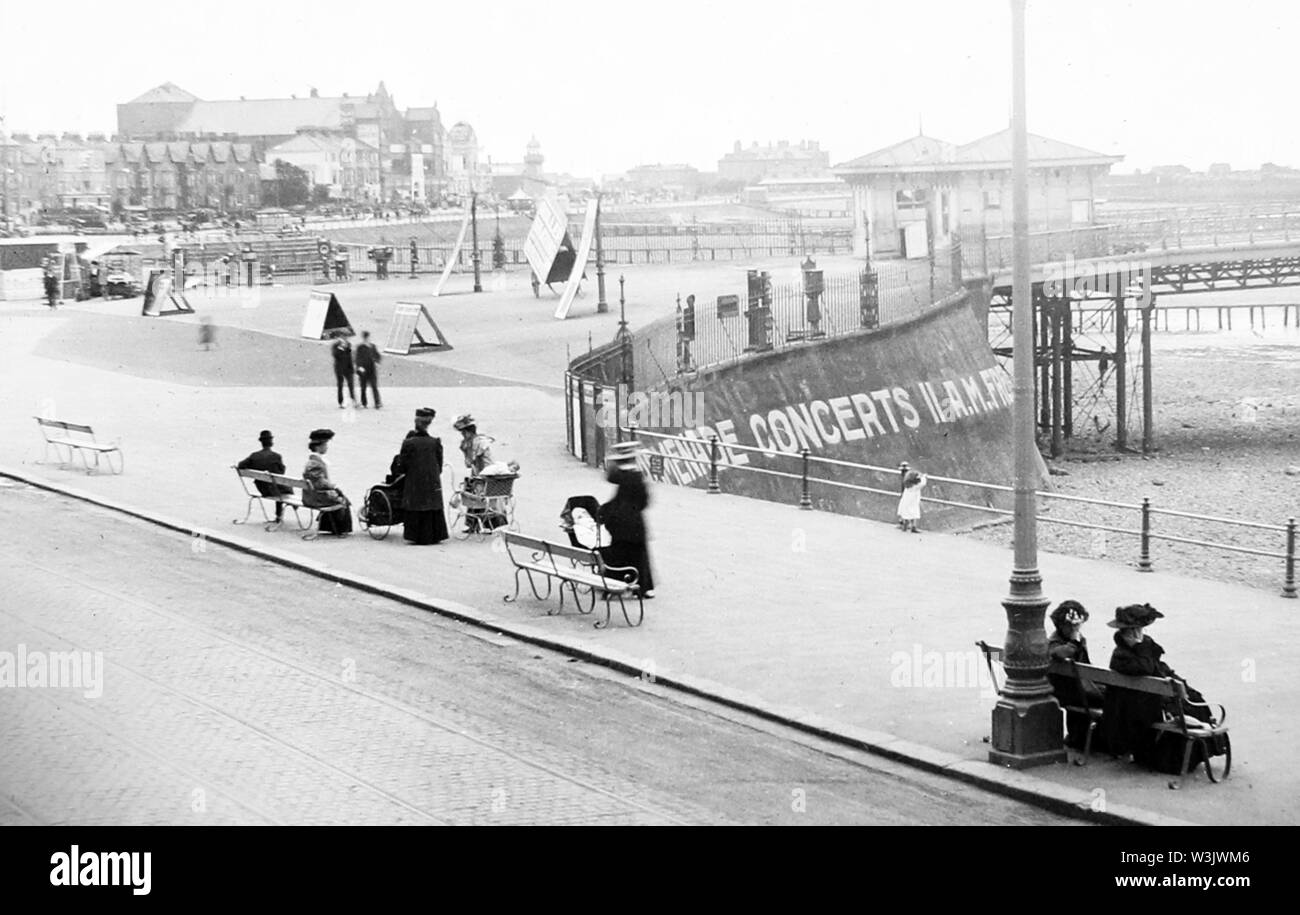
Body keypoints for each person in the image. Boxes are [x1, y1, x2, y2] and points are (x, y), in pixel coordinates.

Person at [1103, 603, 1211, 767]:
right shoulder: (1128, 654)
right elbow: (1147, 668)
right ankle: (1193, 751)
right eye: (1137, 631)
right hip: (1145, 707)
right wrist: (1141, 646)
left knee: (1193, 696)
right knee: (1192, 702)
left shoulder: (1125, 651)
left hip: (1142, 701)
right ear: (1132, 633)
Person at [1047, 600, 1107, 754]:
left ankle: (1082, 738)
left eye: (1078, 626)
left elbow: (1086, 666)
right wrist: (1074, 641)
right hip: (1068, 692)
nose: (1076, 629)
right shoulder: (1055, 643)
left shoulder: (1076, 640)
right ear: (1061, 625)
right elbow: (1059, 653)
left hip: (1076, 689)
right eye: (1072, 626)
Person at [598, 441, 655, 598]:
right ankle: (642, 587)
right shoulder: (636, 477)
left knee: (618, 555)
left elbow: (610, 477)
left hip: (618, 527)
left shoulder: (620, 477)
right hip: (635, 526)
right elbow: (644, 501)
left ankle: (611, 585)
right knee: (639, 556)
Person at [393, 407, 449, 545]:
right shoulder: (436, 442)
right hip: (433, 483)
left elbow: (402, 466)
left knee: (416, 505)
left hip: (415, 484)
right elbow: (439, 465)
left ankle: (416, 536)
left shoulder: (409, 443)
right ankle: (435, 535)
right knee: (432, 506)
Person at [302, 429, 353, 535]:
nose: (327, 447)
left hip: (310, 495)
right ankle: (339, 529)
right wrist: (333, 486)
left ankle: (329, 526)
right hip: (316, 498)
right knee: (343, 500)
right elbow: (319, 483)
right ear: (318, 446)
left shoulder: (313, 461)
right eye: (325, 444)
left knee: (337, 496)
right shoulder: (316, 463)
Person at [237, 430, 291, 523]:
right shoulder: (276, 456)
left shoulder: (254, 456)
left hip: (262, 489)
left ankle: (279, 515)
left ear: (261, 443)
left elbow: (241, 465)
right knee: (282, 486)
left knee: (278, 485)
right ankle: (279, 515)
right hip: (275, 490)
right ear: (271, 442)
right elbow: (281, 472)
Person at [355, 330, 382, 409]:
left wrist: (377, 361)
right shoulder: (360, 347)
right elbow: (357, 358)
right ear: (364, 338)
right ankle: (364, 402)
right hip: (363, 370)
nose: (368, 339)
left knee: (374, 386)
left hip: (372, 369)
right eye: (367, 337)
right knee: (363, 387)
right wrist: (359, 367)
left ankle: (377, 403)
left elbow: (377, 355)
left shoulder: (372, 346)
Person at [330, 332, 357, 409]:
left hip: (348, 368)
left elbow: (350, 356)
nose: (345, 338)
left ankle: (353, 400)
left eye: (346, 337)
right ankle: (341, 402)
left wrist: (352, 367)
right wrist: (341, 347)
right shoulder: (335, 345)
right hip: (339, 369)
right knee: (340, 385)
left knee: (351, 384)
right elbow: (335, 355)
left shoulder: (348, 344)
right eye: (344, 337)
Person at [897, 469, 927, 533]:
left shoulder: (907, 485)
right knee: (914, 513)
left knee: (906, 513)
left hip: (905, 501)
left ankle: (905, 524)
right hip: (913, 502)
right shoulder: (916, 486)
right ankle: (913, 527)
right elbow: (923, 483)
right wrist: (923, 477)